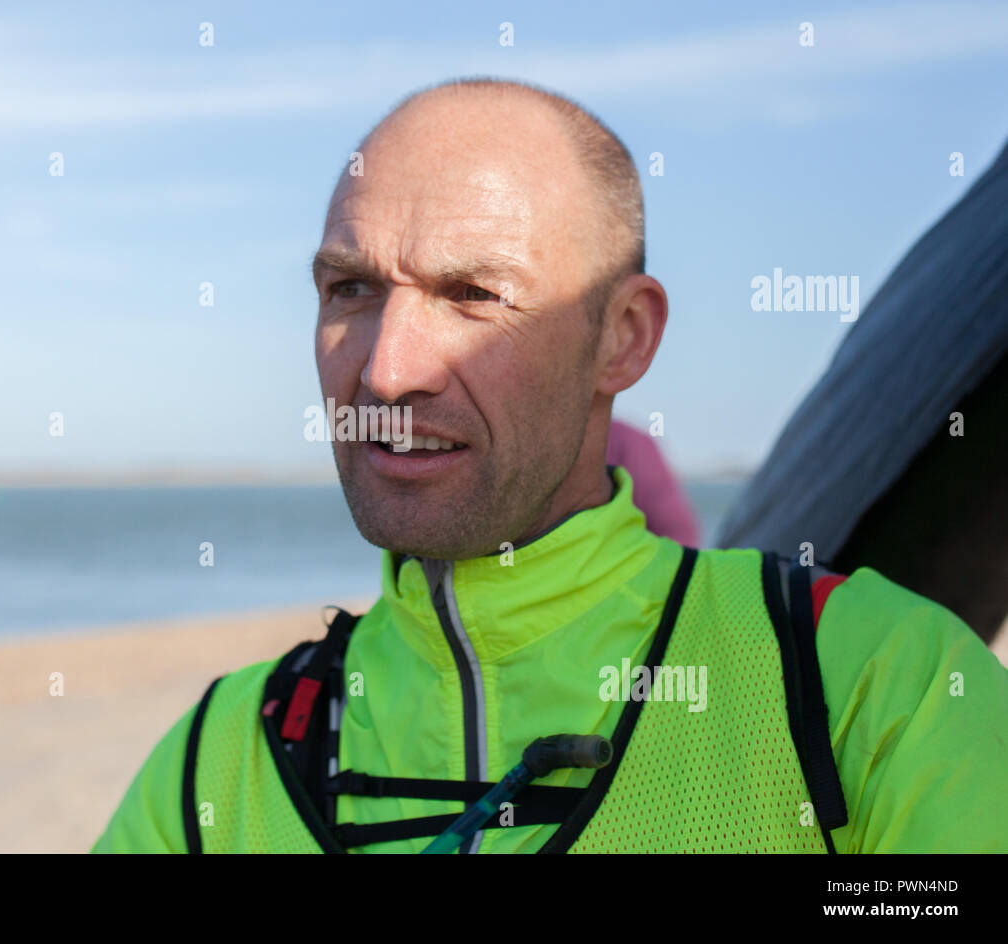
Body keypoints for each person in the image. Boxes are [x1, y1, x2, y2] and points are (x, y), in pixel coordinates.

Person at [93, 77, 1008, 853]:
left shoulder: (871, 680)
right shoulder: (221, 758)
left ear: (625, 337)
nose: (385, 370)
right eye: (351, 288)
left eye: (474, 295)